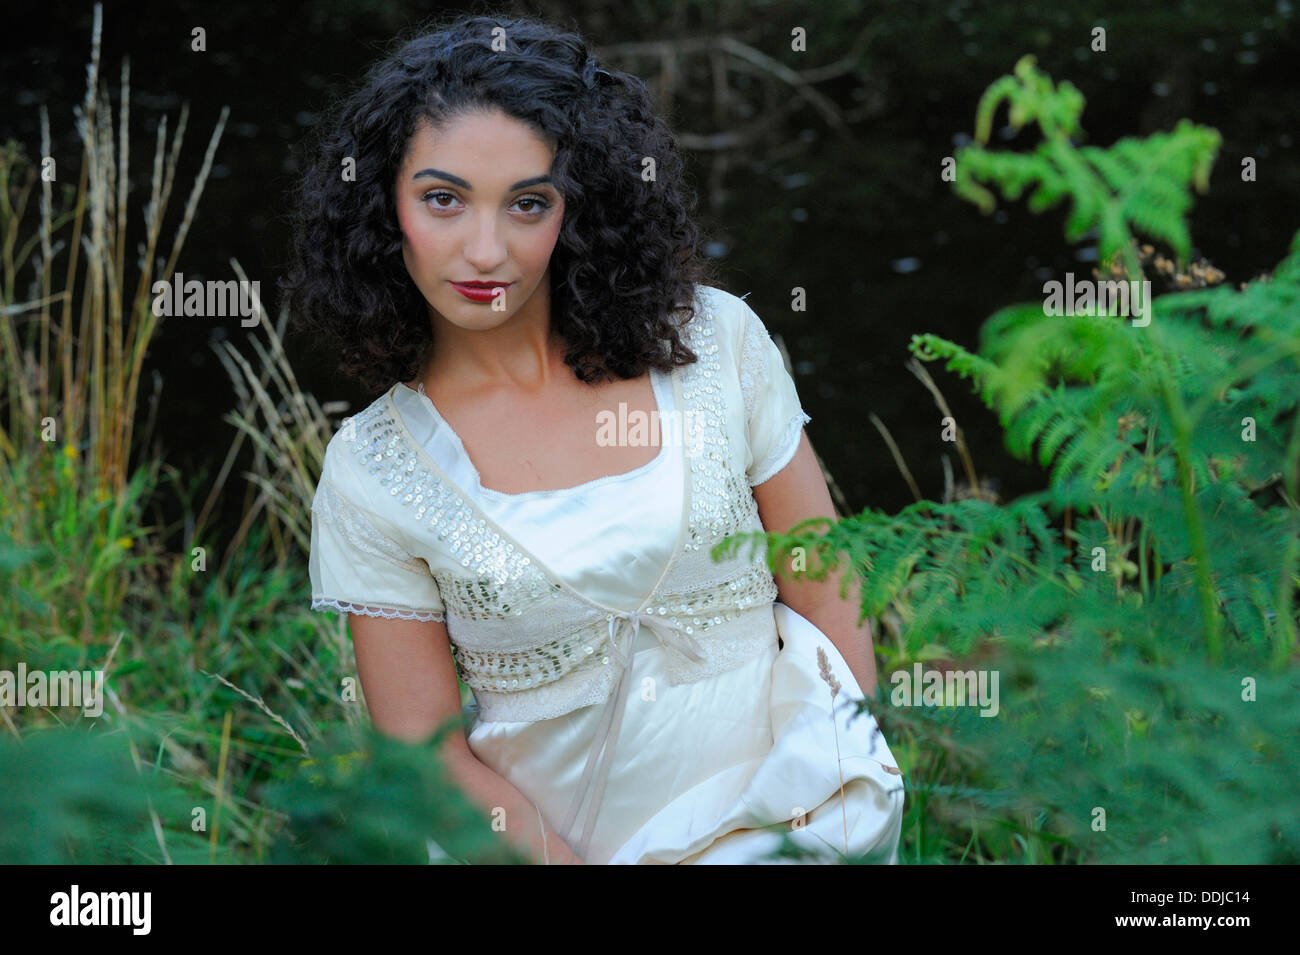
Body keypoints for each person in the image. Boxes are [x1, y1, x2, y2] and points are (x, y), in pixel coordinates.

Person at [285, 13, 905, 865]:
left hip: (798, 824)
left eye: (528, 203)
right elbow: (424, 754)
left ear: (581, 206)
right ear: (383, 204)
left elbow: (826, 586)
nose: (485, 250)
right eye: (442, 198)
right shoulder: (372, 469)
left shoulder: (716, 343)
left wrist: (851, 785)